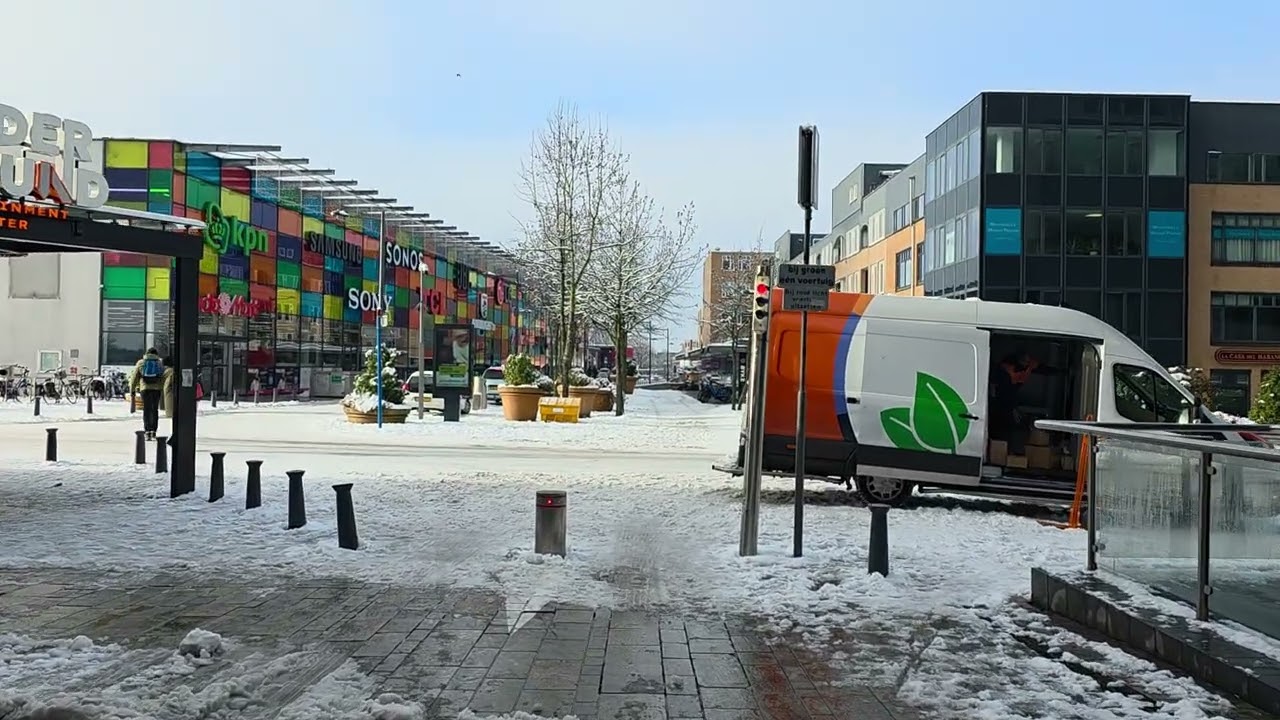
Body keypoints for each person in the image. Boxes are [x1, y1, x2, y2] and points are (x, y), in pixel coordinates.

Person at [991, 350, 1041, 454]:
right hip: (1002, 407)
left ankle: (1004, 452)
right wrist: (1029, 368)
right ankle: (1002, 453)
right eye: (1024, 362)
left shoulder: (1005, 371)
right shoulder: (1006, 373)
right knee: (1004, 431)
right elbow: (1015, 382)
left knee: (1005, 430)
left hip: (1004, 406)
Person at [131, 348, 165, 440]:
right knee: (154, 410)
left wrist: (132, 390)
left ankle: (147, 431)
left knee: (146, 410)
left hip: (145, 389)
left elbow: (134, 377)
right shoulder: (160, 362)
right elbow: (163, 376)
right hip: (156, 389)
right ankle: (153, 431)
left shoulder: (141, 362)